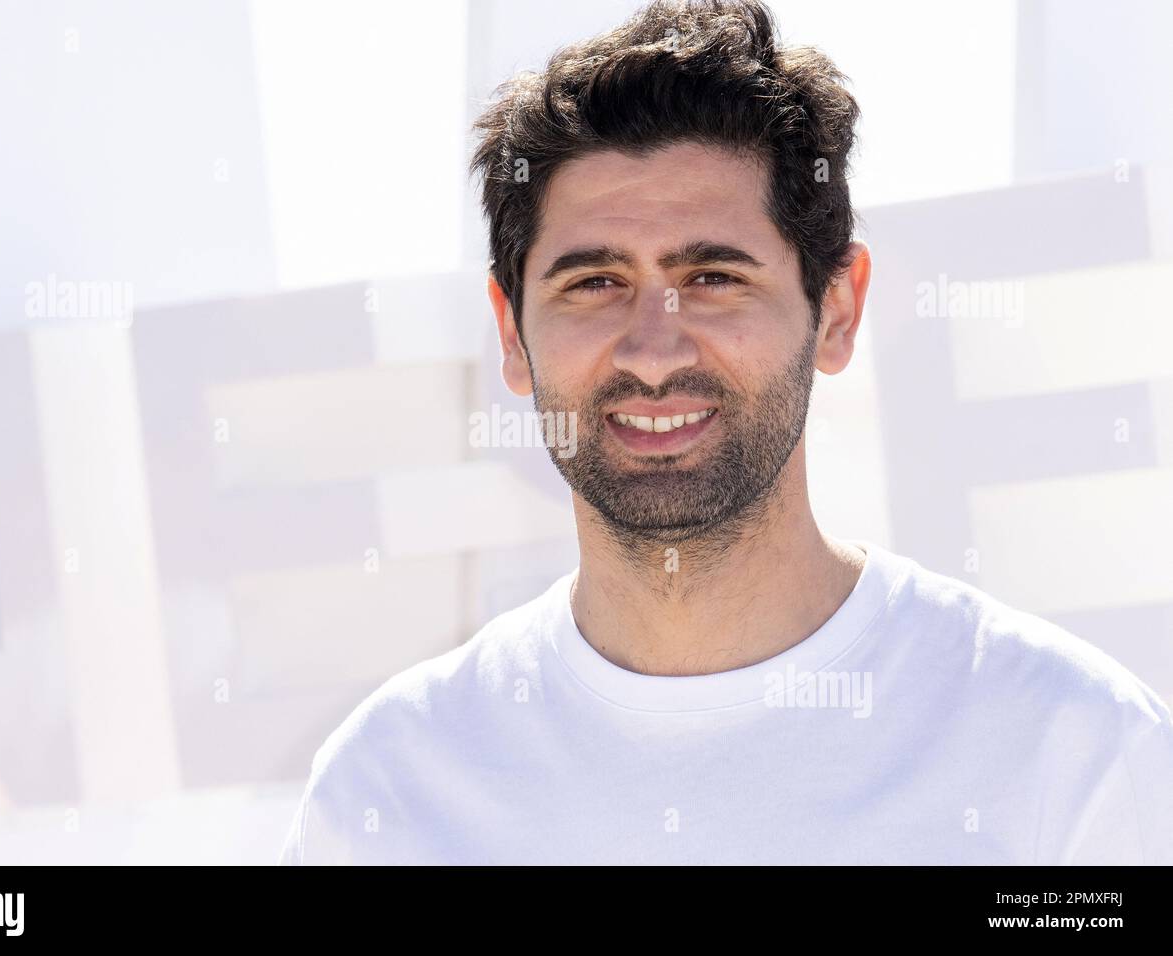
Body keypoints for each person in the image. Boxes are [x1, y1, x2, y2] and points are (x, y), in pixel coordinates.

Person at [280, 0, 1173, 864]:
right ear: (512, 334)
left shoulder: (1071, 754)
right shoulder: (387, 792)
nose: (654, 351)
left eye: (712, 277)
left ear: (836, 309)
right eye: (593, 282)